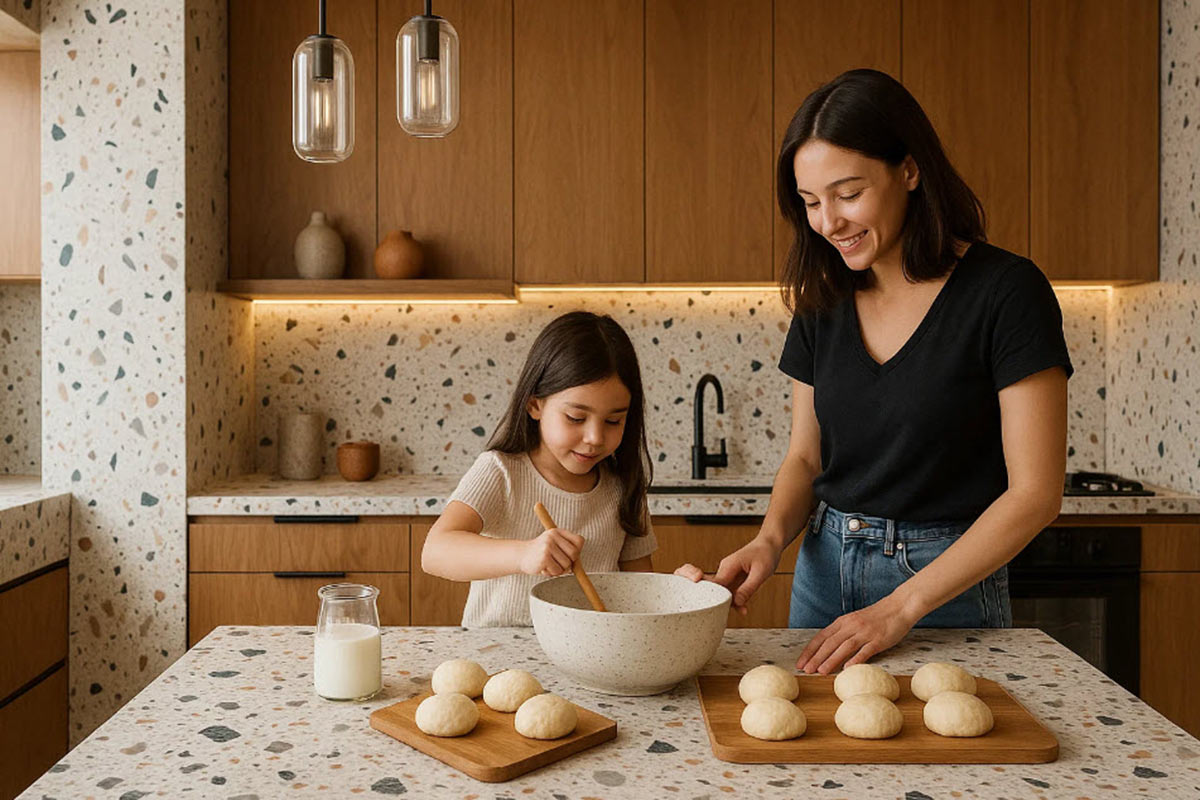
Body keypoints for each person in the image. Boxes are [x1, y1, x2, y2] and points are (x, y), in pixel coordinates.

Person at [677, 69, 1072, 674]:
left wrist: (900, 606)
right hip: (823, 570)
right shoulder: (823, 295)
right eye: (810, 202)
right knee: (810, 761)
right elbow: (806, 459)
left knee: (949, 764)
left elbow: (1035, 495)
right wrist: (768, 540)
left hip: (945, 584)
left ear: (909, 171)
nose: (828, 221)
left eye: (848, 193)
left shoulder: (1006, 292)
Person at [422, 311, 657, 627]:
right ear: (535, 404)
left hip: (589, 660)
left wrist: (674, 589)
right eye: (575, 417)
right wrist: (523, 555)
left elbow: (642, 597)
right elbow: (435, 552)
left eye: (614, 421)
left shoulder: (624, 487)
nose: (594, 438)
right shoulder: (501, 472)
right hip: (499, 658)